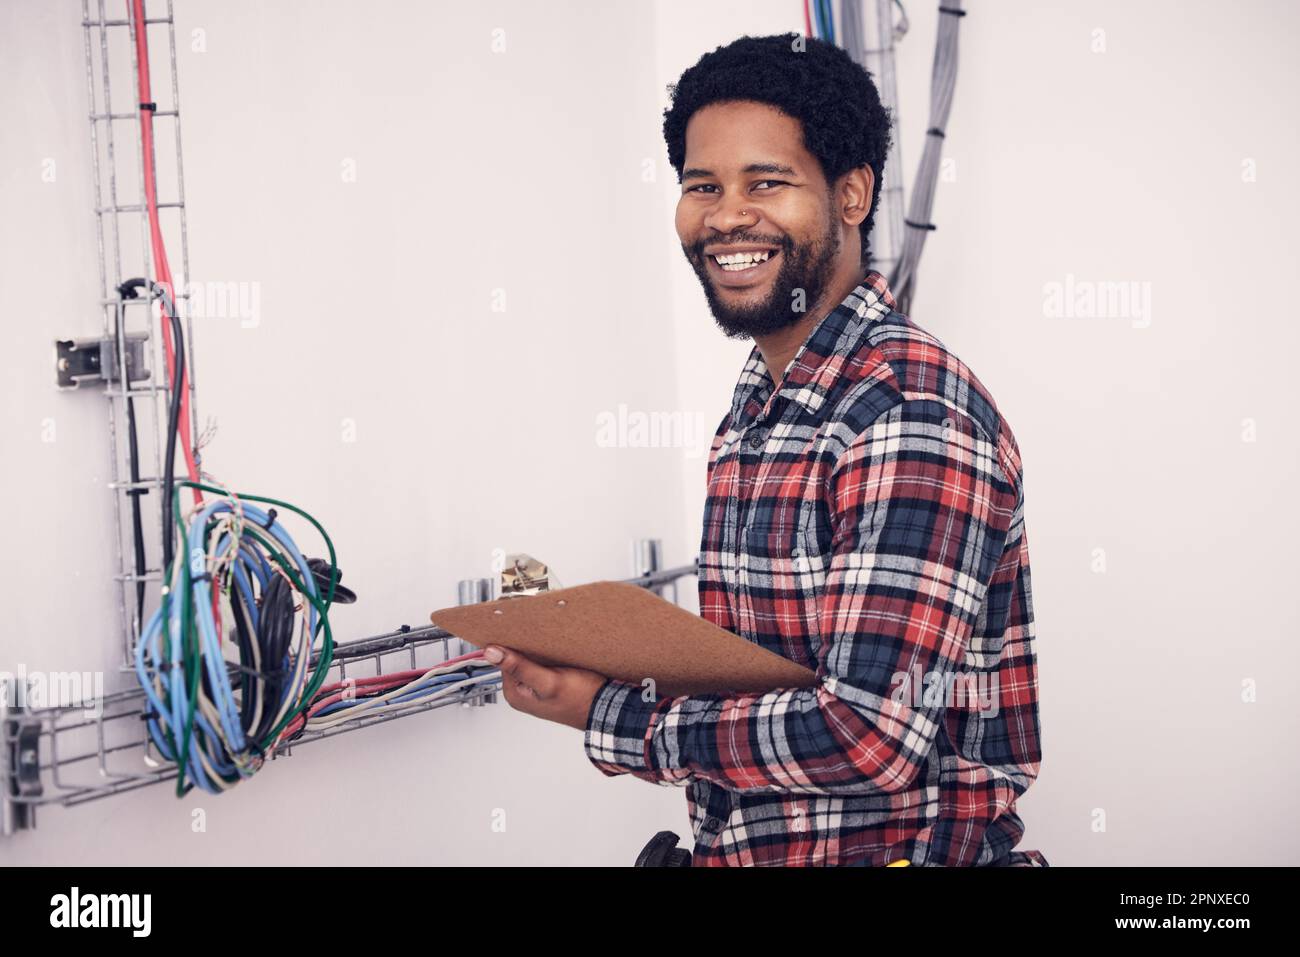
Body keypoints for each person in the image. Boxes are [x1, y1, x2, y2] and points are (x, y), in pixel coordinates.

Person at [483, 33, 1046, 868]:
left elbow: (867, 734)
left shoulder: (904, 410)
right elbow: (764, 684)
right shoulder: (761, 402)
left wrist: (605, 713)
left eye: (767, 182)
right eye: (702, 185)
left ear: (851, 194)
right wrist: (607, 663)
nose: (726, 215)